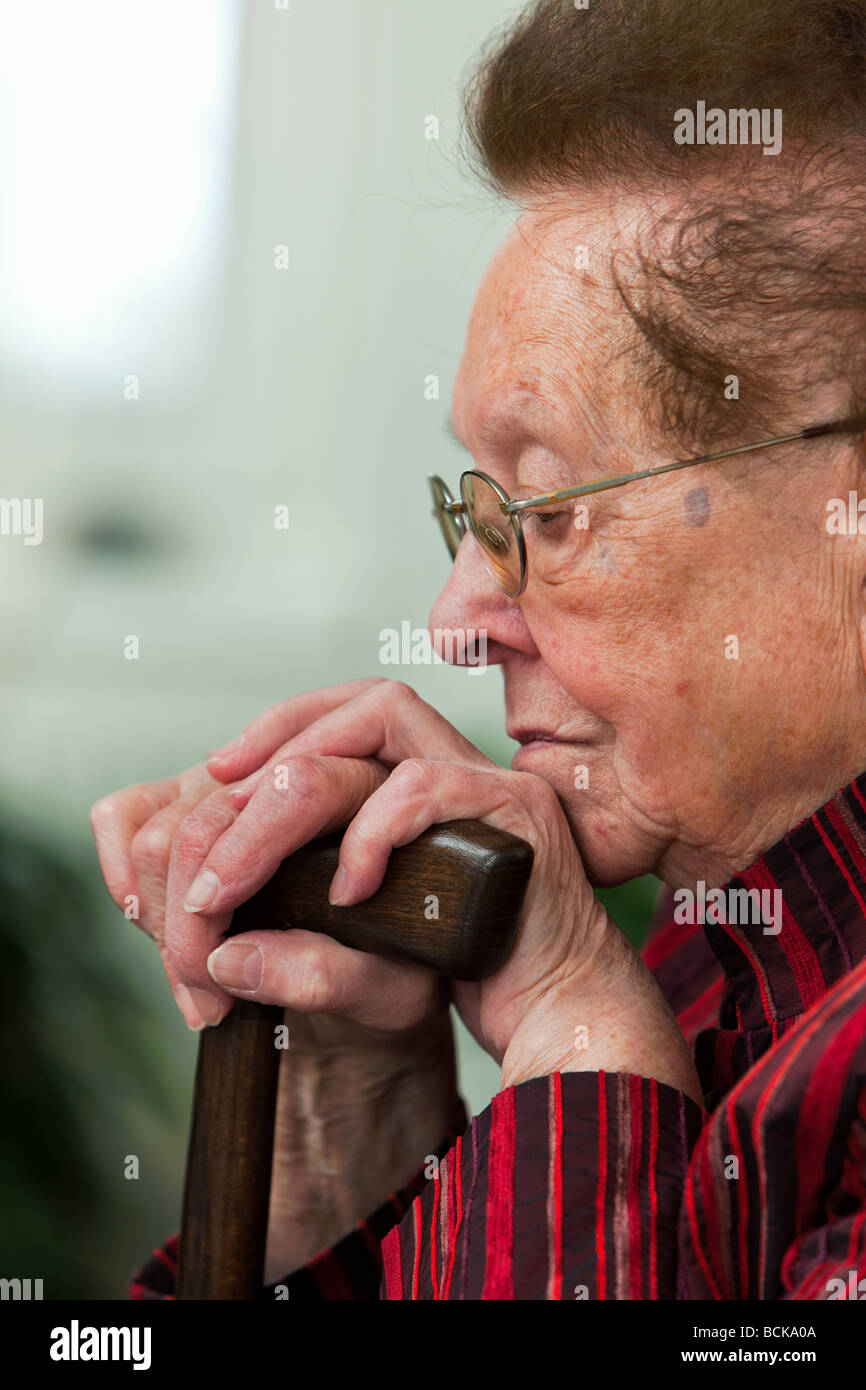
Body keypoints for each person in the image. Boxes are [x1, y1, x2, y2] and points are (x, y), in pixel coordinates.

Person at [92, 0, 866, 1300]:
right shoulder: (712, 960)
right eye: (478, 508)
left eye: (548, 513)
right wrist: (352, 1157)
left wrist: (579, 1036)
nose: (457, 618)